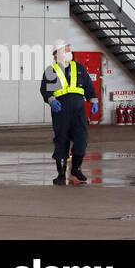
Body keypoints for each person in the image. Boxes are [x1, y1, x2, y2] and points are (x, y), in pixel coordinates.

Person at [40, 39, 99, 185]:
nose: (69, 51)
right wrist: (51, 100)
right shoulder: (51, 71)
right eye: (66, 49)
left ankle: (76, 168)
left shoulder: (78, 68)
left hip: (78, 112)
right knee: (62, 141)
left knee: (81, 140)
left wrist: (93, 100)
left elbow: (88, 86)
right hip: (61, 111)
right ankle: (61, 174)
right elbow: (45, 89)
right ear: (58, 53)